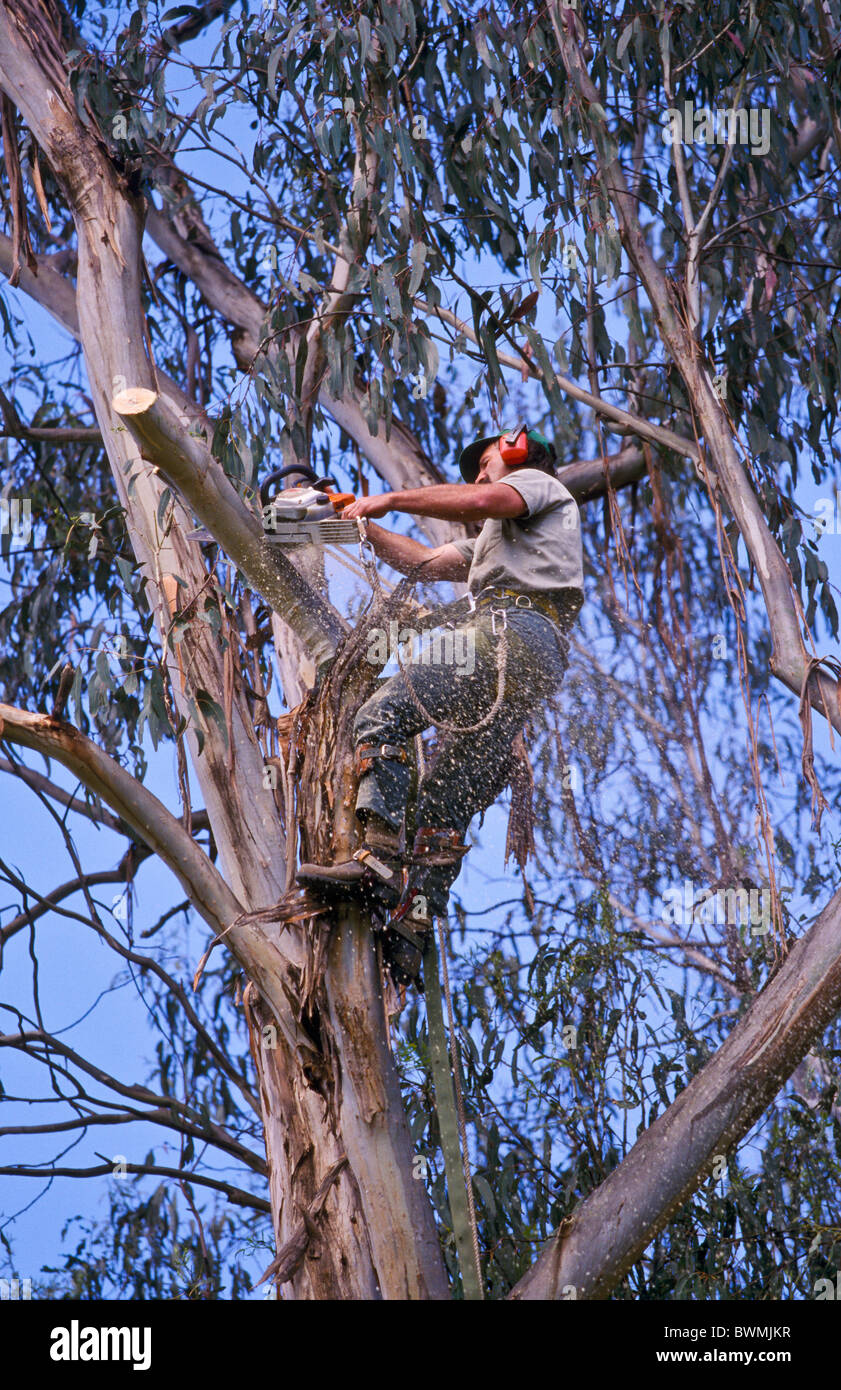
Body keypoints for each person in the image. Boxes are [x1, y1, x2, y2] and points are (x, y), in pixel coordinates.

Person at [296, 424, 584, 982]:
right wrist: (361, 522)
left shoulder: (540, 487)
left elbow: (479, 498)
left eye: (484, 464)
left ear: (517, 452)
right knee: (442, 808)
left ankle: (376, 858)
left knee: (382, 712)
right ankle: (411, 929)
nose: (478, 476)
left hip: (507, 633)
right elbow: (424, 562)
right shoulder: (498, 541)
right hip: (531, 659)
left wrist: (391, 497)